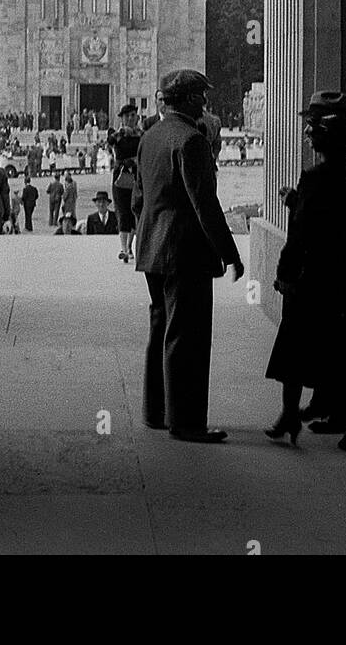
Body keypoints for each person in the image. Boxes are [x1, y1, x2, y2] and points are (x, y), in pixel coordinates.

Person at [264, 91, 346, 453]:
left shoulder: (315, 178)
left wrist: (286, 274)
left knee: (294, 346)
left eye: (311, 127)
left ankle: (289, 416)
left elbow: (301, 235)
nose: (306, 133)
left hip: (315, 278)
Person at [133, 69, 243, 443]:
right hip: (184, 252)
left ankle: (155, 412)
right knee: (189, 336)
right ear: (192, 100)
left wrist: (146, 236)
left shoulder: (148, 137)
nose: (206, 103)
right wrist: (230, 253)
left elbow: (138, 200)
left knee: (161, 327)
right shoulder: (192, 141)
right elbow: (205, 205)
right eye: (202, 97)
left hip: (152, 249)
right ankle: (187, 421)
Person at [107, 105, 141, 263]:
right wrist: (121, 132)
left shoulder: (141, 135)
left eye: (133, 115)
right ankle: (124, 248)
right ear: (121, 118)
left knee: (134, 208)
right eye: (126, 116)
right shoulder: (117, 135)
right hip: (120, 175)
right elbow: (110, 141)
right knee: (121, 209)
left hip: (136, 174)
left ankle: (129, 246)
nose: (130, 119)